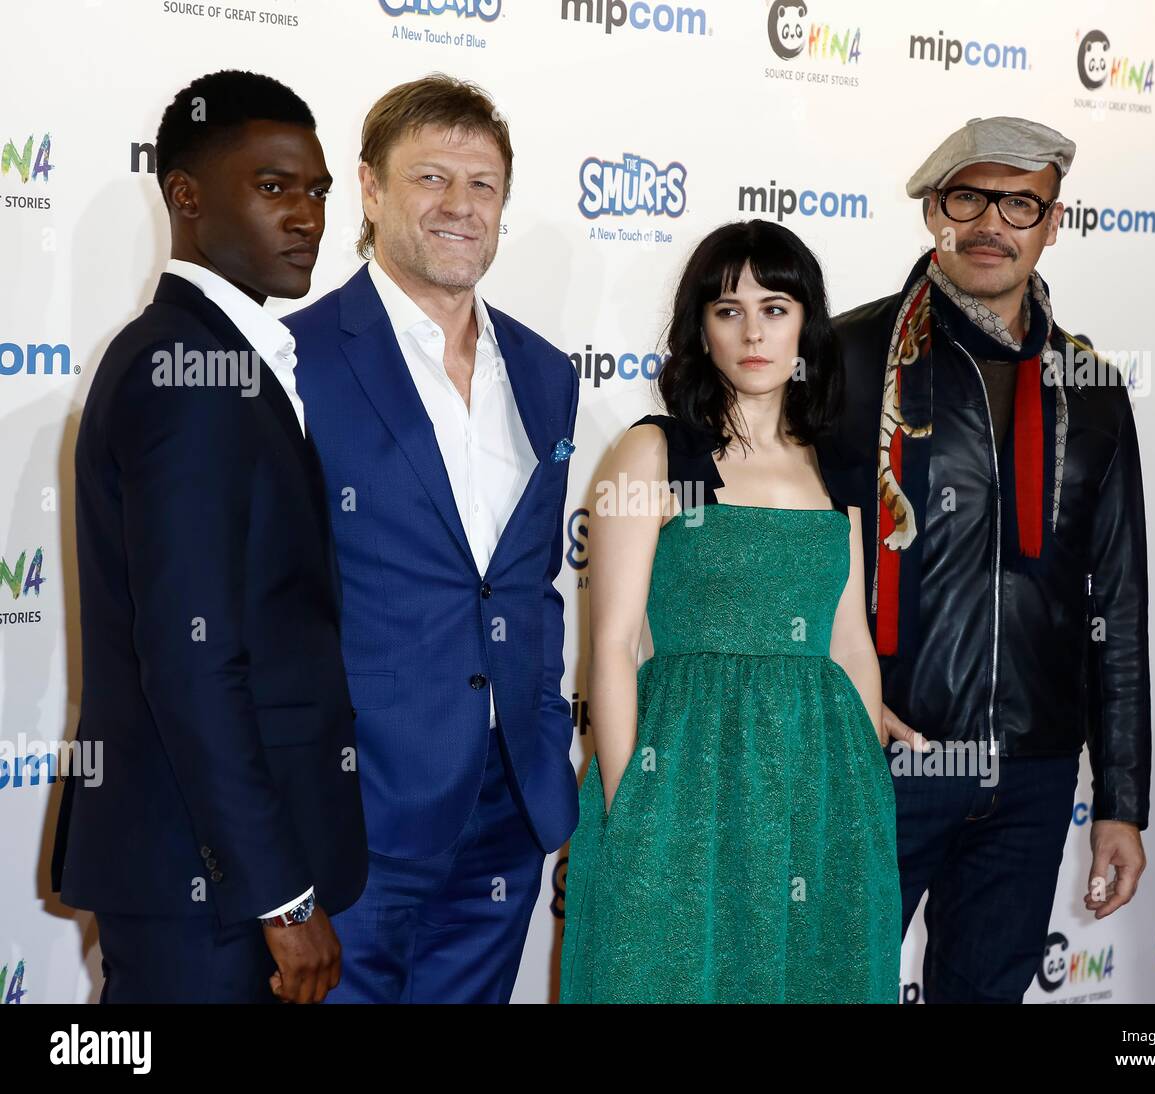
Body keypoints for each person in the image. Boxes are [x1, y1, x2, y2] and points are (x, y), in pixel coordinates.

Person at [50, 70, 368, 1004]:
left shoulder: (221, 361)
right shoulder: (190, 371)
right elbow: (191, 661)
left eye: (316, 191)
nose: (306, 216)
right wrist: (280, 893)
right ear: (185, 197)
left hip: (206, 876)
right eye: (274, 187)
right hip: (211, 890)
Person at [833, 116, 1152, 1003]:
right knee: (823, 984)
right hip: (883, 758)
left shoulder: (1090, 385)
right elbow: (783, 545)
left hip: (1033, 771)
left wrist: (1121, 800)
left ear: (1053, 222)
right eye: (968, 197)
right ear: (934, 210)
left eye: (1020, 203)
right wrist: (841, 698)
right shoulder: (848, 359)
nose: (991, 225)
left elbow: (1119, 602)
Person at [286, 75, 579, 1004]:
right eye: (431, 179)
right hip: (356, 808)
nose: (461, 206)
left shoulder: (544, 371)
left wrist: (538, 724)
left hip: (507, 804)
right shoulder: (291, 357)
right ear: (369, 190)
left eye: (483, 184)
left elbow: (528, 578)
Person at [560, 219, 901, 1003]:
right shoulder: (654, 452)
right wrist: (629, 802)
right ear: (700, 330)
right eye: (728, 310)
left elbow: (850, 644)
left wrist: (864, 793)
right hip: (681, 772)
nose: (753, 331)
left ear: (806, 327)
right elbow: (610, 647)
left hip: (820, 779)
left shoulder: (839, 466)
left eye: (775, 308)